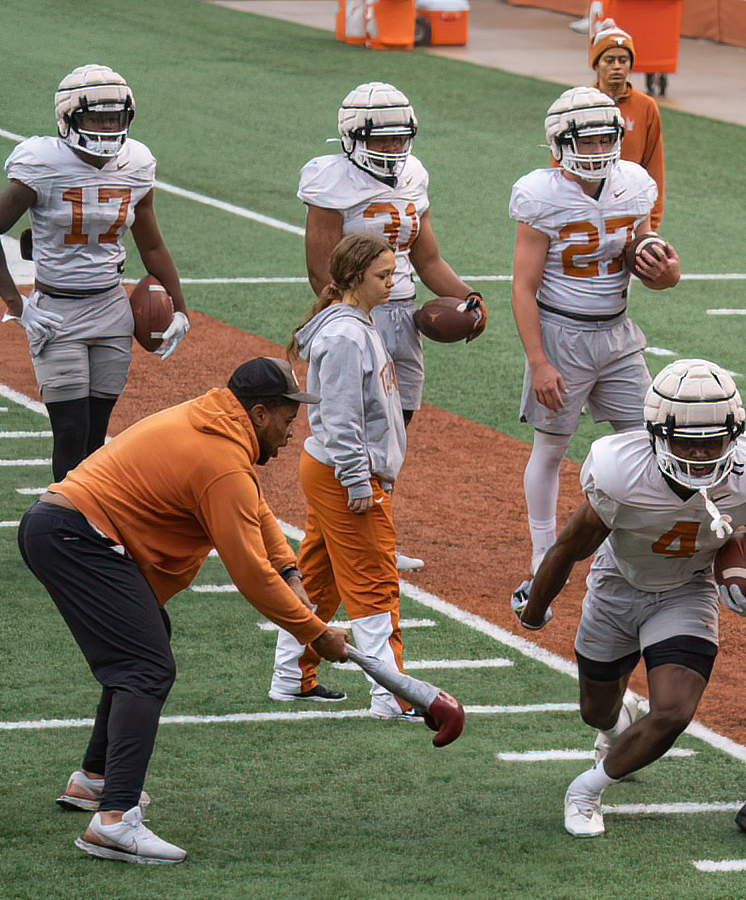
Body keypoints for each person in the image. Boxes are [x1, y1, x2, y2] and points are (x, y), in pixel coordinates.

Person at [18, 357, 349, 865]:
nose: (290, 434)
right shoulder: (221, 460)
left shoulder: (217, 423)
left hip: (65, 530)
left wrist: (290, 570)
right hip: (76, 538)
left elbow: (257, 509)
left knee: (146, 642)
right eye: (288, 419)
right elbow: (250, 574)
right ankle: (114, 821)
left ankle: (95, 779)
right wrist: (315, 632)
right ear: (260, 414)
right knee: (145, 666)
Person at [513, 359, 746, 837]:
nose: (700, 454)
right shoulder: (621, 473)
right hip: (617, 584)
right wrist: (534, 611)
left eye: (713, 441)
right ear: (656, 434)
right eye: (686, 441)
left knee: (674, 711)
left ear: (735, 434)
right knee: (596, 710)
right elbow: (569, 547)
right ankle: (615, 725)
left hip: (687, 589)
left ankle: (586, 790)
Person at [298, 81, 486, 570]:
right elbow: (322, 271)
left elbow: (428, 259)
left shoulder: (413, 175)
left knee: (392, 434)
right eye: (381, 137)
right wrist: (352, 319)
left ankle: (372, 528)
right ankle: (345, 532)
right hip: (356, 316)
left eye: (400, 137)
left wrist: (469, 298)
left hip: (403, 317)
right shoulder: (329, 179)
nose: (393, 146)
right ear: (352, 136)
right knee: (351, 429)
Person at [510, 86, 679, 602]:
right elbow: (523, 287)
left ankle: (640, 542)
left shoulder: (634, 184)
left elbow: (647, 260)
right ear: (560, 143)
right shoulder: (541, 194)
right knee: (551, 446)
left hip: (619, 333)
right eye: (587, 140)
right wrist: (539, 361)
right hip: (562, 334)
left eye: (606, 137)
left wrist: (667, 273)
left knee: (649, 440)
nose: (598, 148)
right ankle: (543, 551)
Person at [0, 64, 189, 483]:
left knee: (95, 436)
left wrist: (181, 308)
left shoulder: (135, 163)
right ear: (68, 119)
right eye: (97, 118)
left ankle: (90, 515)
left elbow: (152, 246)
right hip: (56, 312)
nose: (108, 127)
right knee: (71, 432)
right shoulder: (42, 163)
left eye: (115, 118)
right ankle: (64, 517)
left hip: (111, 307)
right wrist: (17, 303)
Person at [268, 233, 419, 720]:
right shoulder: (345, 336)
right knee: (375, 583)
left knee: (318, 577)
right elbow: (339, 416)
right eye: (382, 275)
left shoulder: (353, 325)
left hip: (333, 470)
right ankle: (391, 694)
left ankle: (291, 675)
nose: (392, 282)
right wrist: (357, 480)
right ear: (354, 278)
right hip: (343, 474)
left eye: (393, 273)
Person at [588, 21, 665, 230]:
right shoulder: (581, 103)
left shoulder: (646, 107)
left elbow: (654, 165)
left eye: (623, 60)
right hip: (587, 207)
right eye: (609, 60)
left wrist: (652, 223)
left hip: (629, 209)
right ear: (596, 65)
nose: (616, 66)